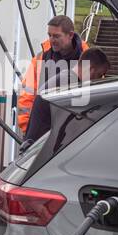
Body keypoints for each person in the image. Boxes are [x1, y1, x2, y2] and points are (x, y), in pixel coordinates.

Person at [17, 15, 83, 144]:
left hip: (74, 133)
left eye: (56, 36)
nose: (52, 40)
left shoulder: (86, 58)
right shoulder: (41, 59)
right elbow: (27, 94)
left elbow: (95, 96)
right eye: (50, 35)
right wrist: (28, 129)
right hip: (41, 132)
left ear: (70, 35)